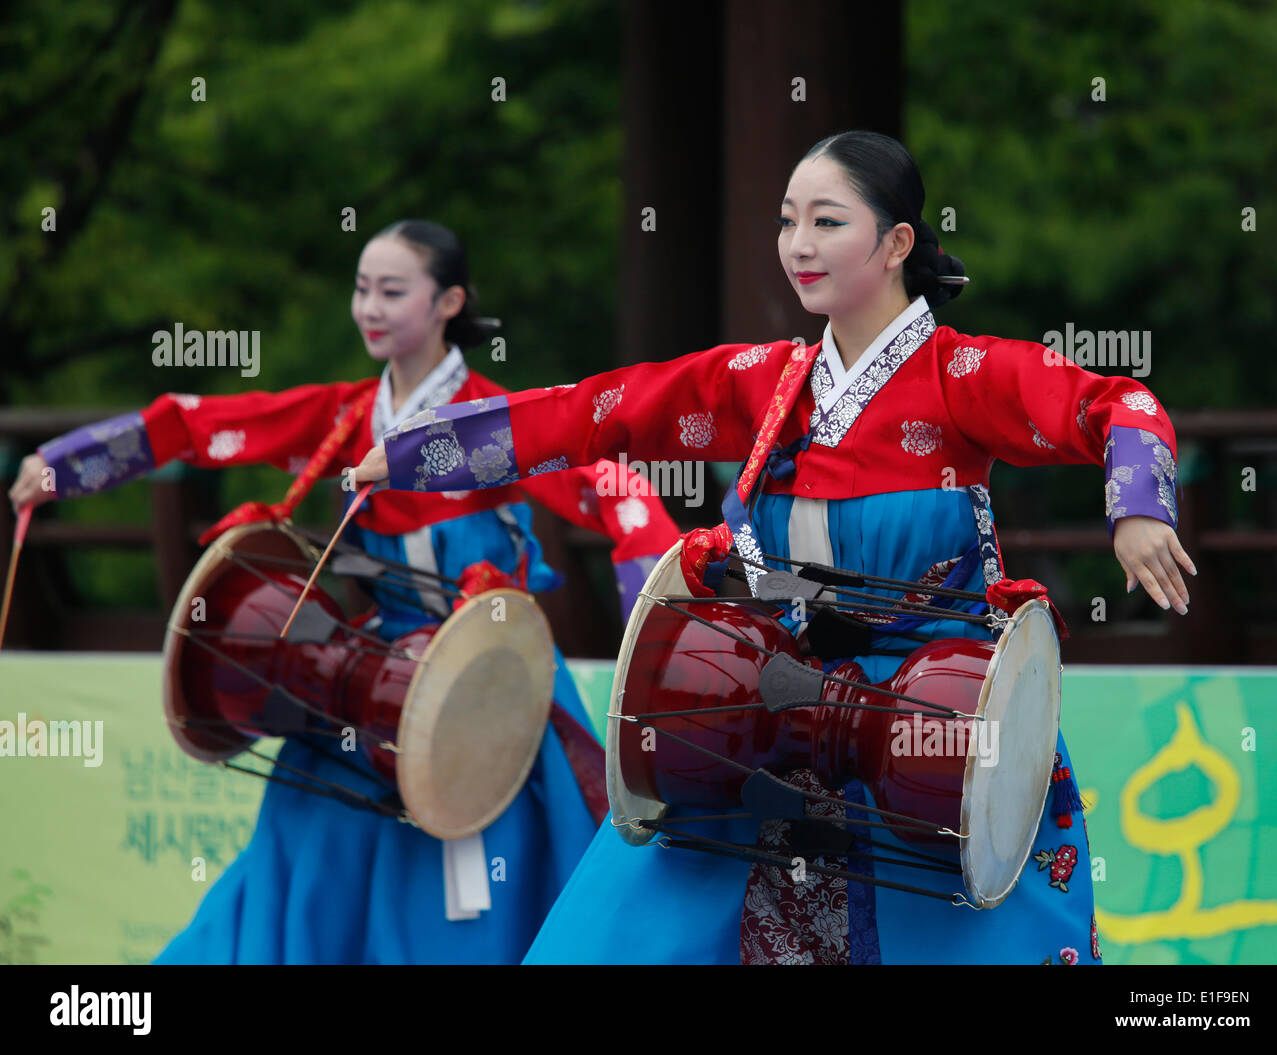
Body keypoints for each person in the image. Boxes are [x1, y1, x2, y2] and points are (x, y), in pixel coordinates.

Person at [352, 133, 1194, 965]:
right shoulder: (761, 382)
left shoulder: (961, 375)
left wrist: (1139, 508)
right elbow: (600, 410)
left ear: (898, 242)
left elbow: (1118, 404)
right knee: (616, 929)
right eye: (788, 221)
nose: (798, 245)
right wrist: (428, 449)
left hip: (932, 727)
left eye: (827, 222)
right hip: (760, 718)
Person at [8, 219, 681, 964]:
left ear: (449, 300)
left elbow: (613, 488)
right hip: (365, 672)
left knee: (503, 856)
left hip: (489, 673)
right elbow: (201, 425)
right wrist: (69, 465)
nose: (370, 307)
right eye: (362, 289)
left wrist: (655, 620)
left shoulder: (496, 423)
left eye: (393, 290)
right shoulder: (345, 418)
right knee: (306, 823)